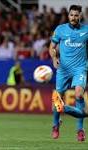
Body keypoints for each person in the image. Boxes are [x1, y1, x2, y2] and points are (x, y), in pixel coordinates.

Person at [49, 5, 88, 141]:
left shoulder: (86, 30)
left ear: (80, 16)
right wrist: (54, 57)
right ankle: (55, 125)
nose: (73, 17)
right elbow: (52, 47)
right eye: (71, 15)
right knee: (58, 98)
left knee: (79, 95)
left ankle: (80, 129)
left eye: (76, 15)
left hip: (80, 69)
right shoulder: (60, 30)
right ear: (68, 16)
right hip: (63, 70)